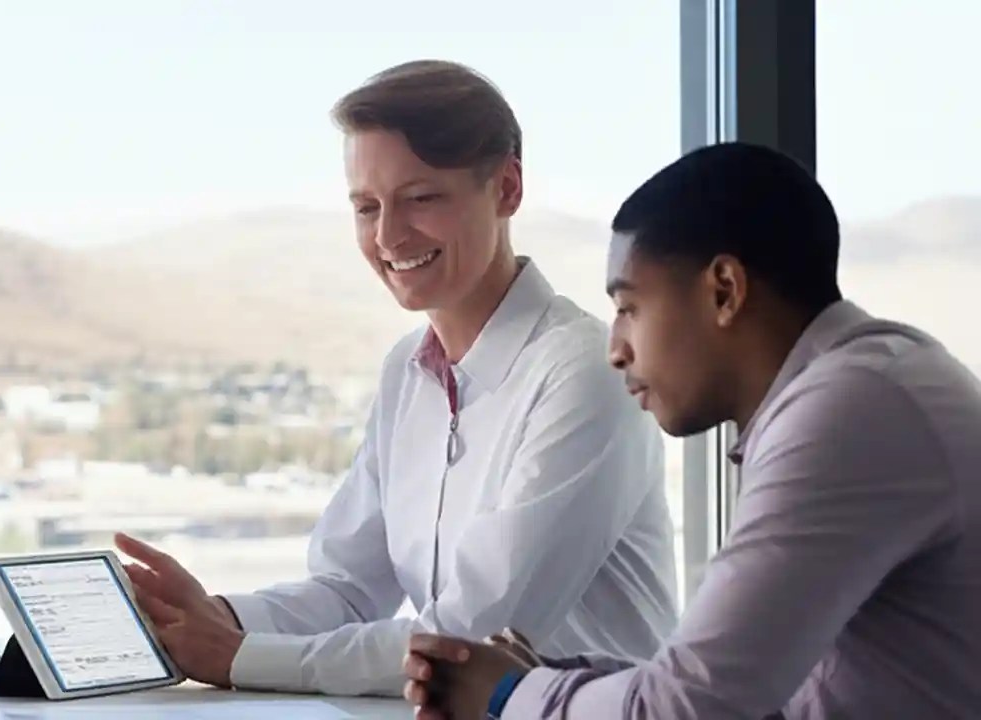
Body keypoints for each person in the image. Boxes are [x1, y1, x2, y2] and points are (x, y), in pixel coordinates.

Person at [113, 59, 678, 698]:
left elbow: (466, 642)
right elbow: (348, 591)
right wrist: (218, 618)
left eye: (421, 199)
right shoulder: (408, 372)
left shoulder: (584, 373)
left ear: (507, 189)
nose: (387, 235)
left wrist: (238, 656)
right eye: (366, 207)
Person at [402, 141, 981, 719]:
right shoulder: (862, 386)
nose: (615, 349)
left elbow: (689, 709)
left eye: (629, 307)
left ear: (724, 290)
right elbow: (749, 693)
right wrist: (546, 681)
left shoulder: (850, 411)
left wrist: (506, 695)